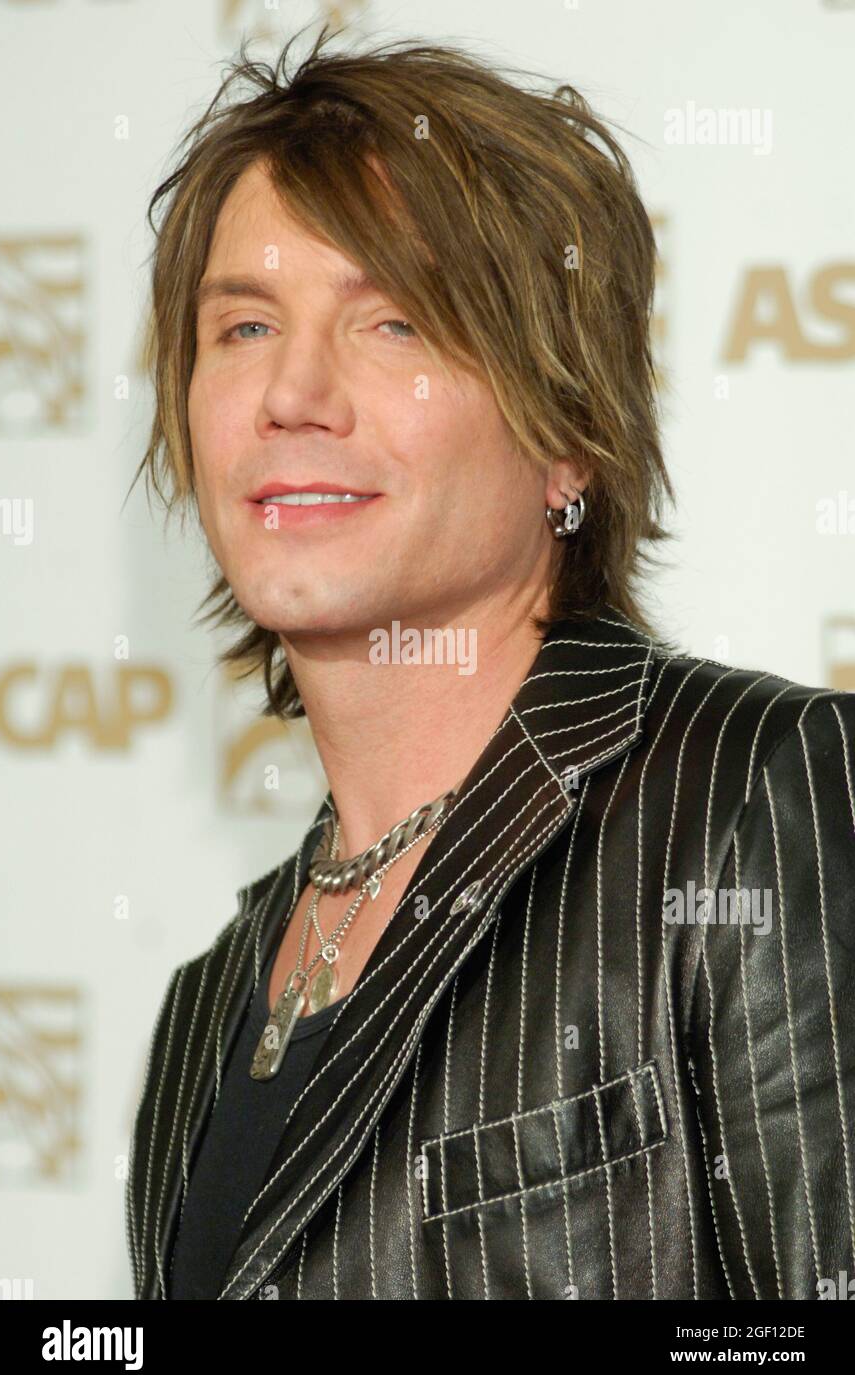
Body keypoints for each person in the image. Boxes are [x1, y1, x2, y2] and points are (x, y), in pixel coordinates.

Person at [125, 26, 855, 1301]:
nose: (293, 391)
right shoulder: (204, 1011)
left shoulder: (749, 797)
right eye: (242, 326)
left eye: (394, 322)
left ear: (566, 433)